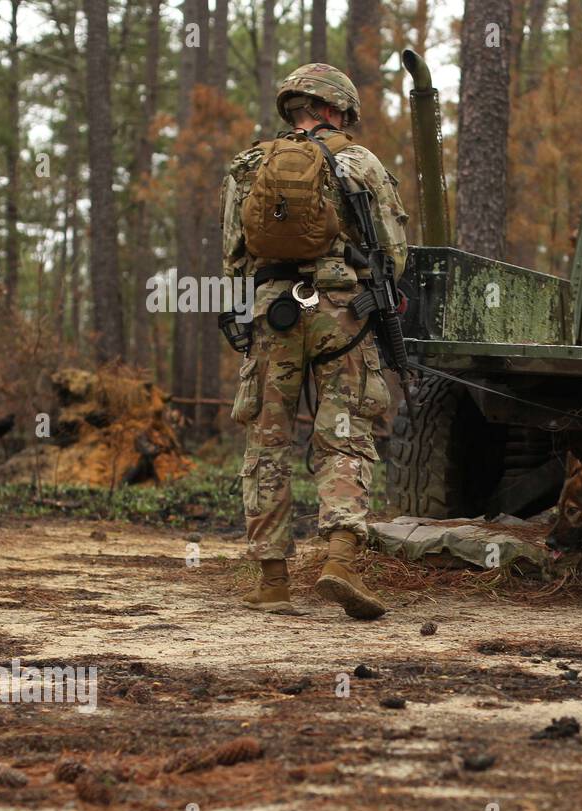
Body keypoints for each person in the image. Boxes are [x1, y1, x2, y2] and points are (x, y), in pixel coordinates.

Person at [220, 63, 409, 619]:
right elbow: (394, 253)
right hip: (342, 315)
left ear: (293, 109)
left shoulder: (251, 165)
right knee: (345, 438)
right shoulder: (361, 163)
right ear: (337, 110)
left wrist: (244, 313)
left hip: (273, 315)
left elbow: (233, 256)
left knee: (267, 444)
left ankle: (272, 581)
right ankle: (340, 562)